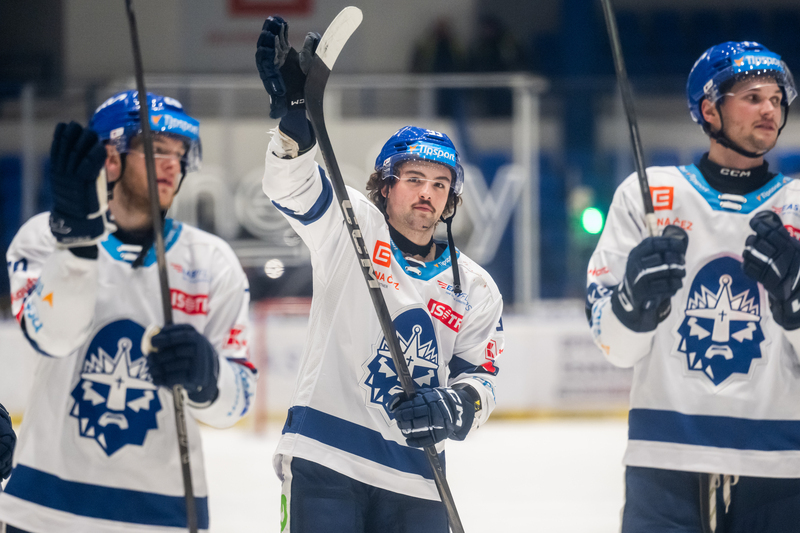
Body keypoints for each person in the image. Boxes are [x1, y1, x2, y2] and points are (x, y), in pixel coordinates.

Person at [256, 16, 504, 533]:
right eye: (413, 178)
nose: (427, 193)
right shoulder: (354, 226)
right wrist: (292, 128)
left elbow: (482, 381)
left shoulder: (475, 286)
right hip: (327, 456)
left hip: (416, 476)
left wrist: (454, 407)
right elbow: (293, 189)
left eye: (440, 184)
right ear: (385, 185)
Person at [0, 90, 257, 532]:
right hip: (44, 507)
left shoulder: (212, 262)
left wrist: (207, 374)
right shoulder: (44, 237)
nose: (173, 165)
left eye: (180, 154)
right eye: (157, 150)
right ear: (110, 158)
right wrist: (77, 242)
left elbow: (237, 403)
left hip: (163, 515)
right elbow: (53, 336)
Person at [586, 41, 800, 532]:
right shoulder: (648, 194)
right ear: (709, 108)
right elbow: (616, 348)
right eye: (752, 96)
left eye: (776, 98)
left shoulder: (797, 204)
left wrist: (796, 303)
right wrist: (632, 304)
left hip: (780, 463)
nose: (770, 108)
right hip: (665, 455)